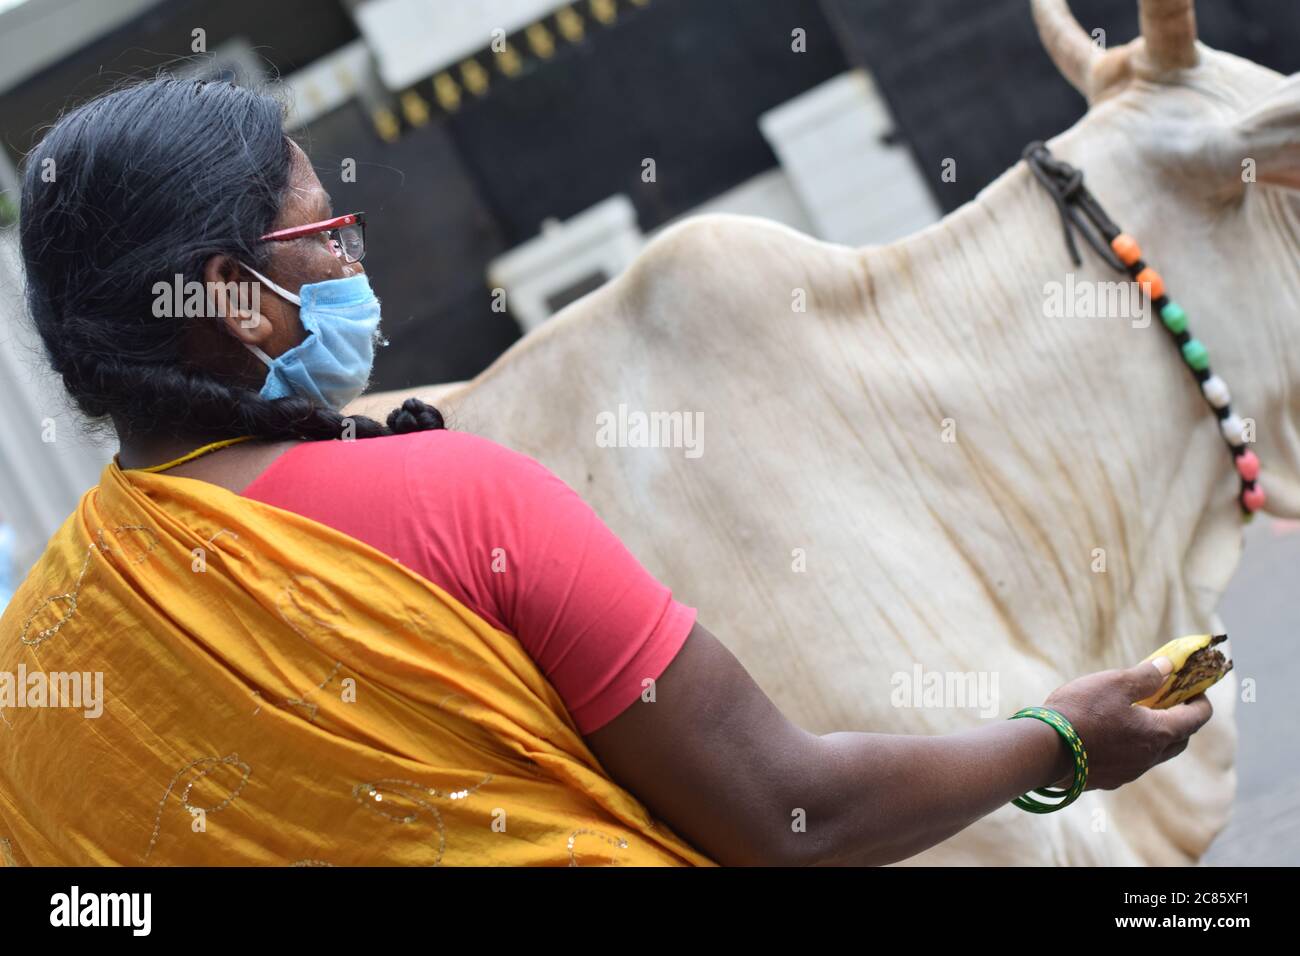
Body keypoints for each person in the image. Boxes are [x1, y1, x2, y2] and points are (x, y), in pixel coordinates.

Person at [0, 76, 1211, 867]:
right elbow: (792, 811)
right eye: (326, 234)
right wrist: (1060, 738)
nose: (352, 258)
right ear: (230, 298)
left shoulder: (36, 653)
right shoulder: (459, 498)